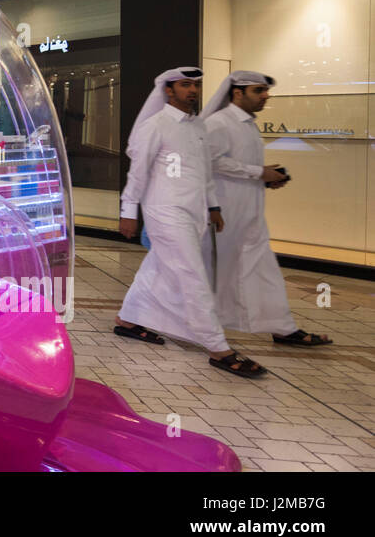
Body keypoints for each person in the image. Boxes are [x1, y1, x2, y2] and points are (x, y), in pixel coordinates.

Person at [114, 67, 267, 378]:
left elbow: (205, 172)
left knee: (157, 267)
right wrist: (128, 211)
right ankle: (217, 347)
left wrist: (213, 206)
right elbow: (138, 172)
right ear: (168, 90)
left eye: (196, 85)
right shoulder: (154, 126)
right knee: (193, 275)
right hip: (164, 211)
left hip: (193, 211)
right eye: (185, 85)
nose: (193, 91)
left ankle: (127, 321)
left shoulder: (198, 126)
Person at [201, 71, 332, 347]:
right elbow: (210, 163)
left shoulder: (247, 124)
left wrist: (267, 176)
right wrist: (257, 172)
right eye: (258, 91)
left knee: (260, 269)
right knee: (219, 270)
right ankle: (196, 324)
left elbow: (239, 164)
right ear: (238, 93)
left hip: (250, 212)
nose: (265, 96)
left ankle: (282, 327)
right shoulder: (218, 123)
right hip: (225, 213)